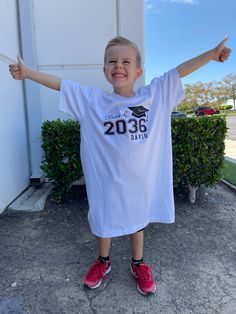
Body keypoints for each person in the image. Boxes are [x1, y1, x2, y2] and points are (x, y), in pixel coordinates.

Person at [9, 36, 231, 295]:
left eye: (126, 61)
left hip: (139, 184)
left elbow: (178, 72)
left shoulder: (153, 97)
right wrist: (28, 73)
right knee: (104, 222)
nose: (118, 65)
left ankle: (138, 263)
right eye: (112, 61)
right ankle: (103, 261)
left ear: (137, 71)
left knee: (137, 222)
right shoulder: (93, 101)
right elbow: (62, 85)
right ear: (105, 71)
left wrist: (210, 55)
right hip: (107, 184)